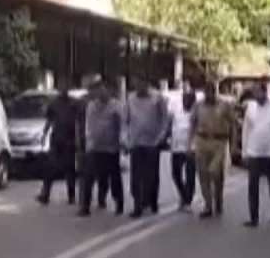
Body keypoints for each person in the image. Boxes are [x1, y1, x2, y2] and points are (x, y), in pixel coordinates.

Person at [241, 82, 270, 227]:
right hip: (254, 151)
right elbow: (246, 130)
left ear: (265, 92)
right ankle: (253, 217)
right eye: (254, 93)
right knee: (253, 186)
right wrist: (244, 151)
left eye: (258, 92)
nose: (256, 96)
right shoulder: (250, 108)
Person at [189, 80, 238, 218]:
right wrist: (190, 143)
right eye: (207, 91)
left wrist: (233, 144)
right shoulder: (198, 105)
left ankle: (218, 198)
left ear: (215, 91)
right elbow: (192, 124)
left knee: (215, 172)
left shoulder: (224, 105)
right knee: (203, 174)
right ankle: (208, 205)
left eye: (212, 91)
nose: (209, 94)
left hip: (219, 142)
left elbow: (234, 124)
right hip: (202, 140)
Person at [78, 81, 124, 217]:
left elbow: (122, 125)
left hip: (111, 148)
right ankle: (85, 206)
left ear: (109, 91)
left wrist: (122, 141)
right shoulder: (91, 106)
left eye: (104, 90)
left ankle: (119, 203)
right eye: (99, 90)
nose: (101, 93)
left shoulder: (117, 106)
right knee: (88, 177)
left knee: (113, 177)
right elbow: (89, 125)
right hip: (94, 147)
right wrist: (87, 143)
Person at [125, 78, 169, 217]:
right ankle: (138, 204)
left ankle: (152, 201)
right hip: (136, 142)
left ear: (147, 84)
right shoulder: (130, 98)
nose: (138, 87)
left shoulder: (157, 97)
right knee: (136, 176)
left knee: (151, 176)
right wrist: (125, 139)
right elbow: (125, 119)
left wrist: (161, 137)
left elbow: (164, 119)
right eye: (136, 84)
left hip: (152, 142)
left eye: (141, 84)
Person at [37, 82, 81, 206]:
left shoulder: (74, 103)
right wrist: (44, 135)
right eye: (62, 88)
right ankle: (45, 194)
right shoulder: (54, 103)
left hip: (70, 139)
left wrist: (78, 139)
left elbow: (78, 121)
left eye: (66, 87)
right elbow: (49, 121)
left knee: (69, 169)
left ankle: (71, 195)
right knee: (50, 167)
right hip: (57, 139)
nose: (64, 90)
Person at [168, 87, 198, 211]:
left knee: (190, 176)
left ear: (193, 100)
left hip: (191, 149)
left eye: (189, 99)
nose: (186, 101)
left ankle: (187, 201)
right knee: (176, 174)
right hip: (176, 147)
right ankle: (183, 194)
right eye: (184, 98)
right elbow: (170, 126)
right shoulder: (176, 112)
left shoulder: (196, 113)